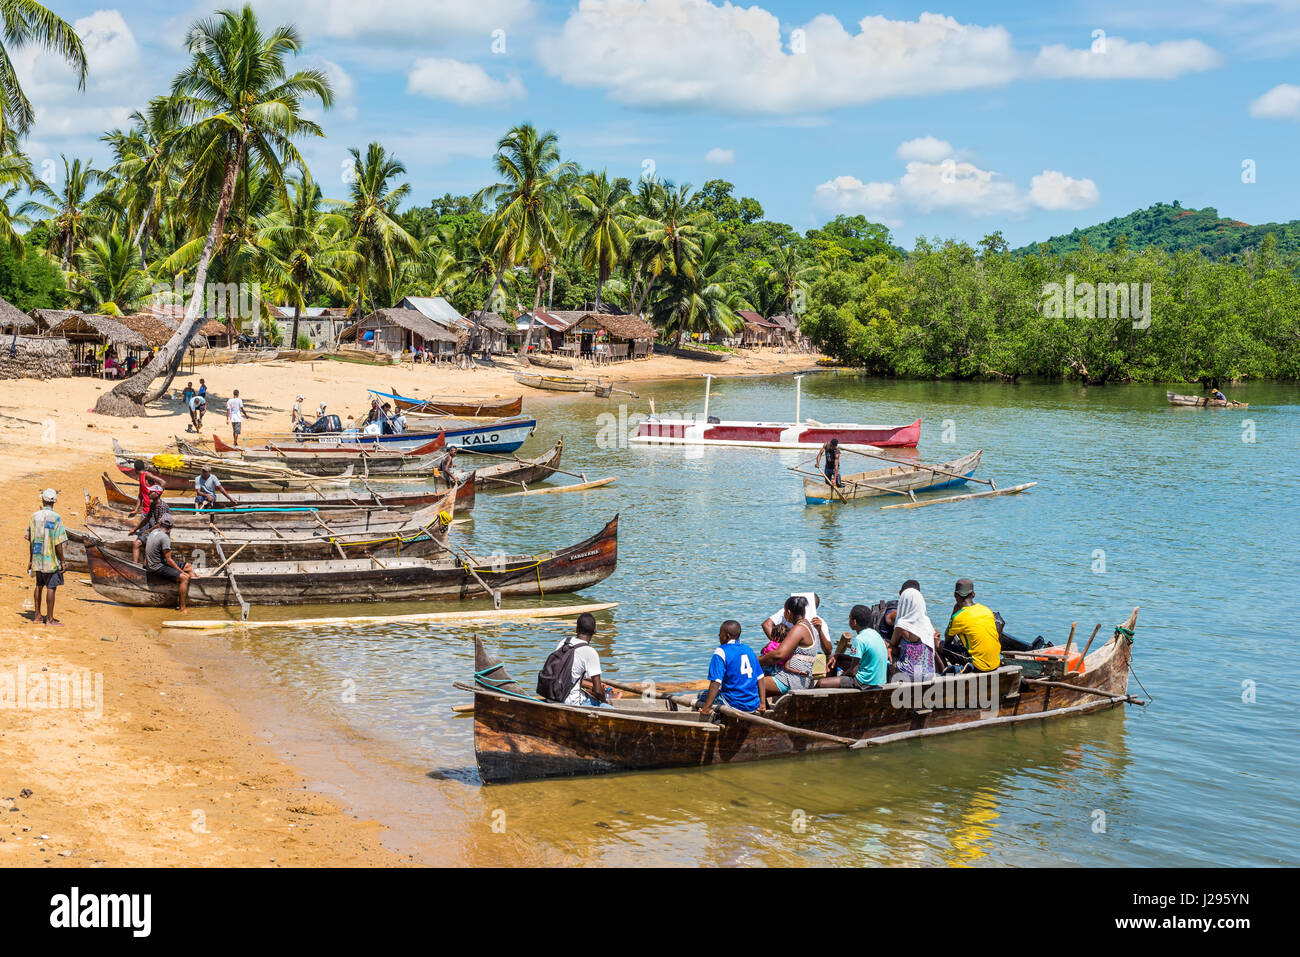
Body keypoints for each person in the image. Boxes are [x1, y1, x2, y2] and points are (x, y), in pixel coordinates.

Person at [537, 613, 610, 707]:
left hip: (552, 697)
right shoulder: (590, 652)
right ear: (595, 630)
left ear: (576, 629)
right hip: (571, 703)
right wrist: (605, 702)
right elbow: (598, 691)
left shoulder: (564, 642)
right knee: (609, 708)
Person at [758, 595, 821, 699]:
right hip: (800, 678)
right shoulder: (810, 627)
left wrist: (755, 660)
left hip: (791, 680)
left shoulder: (799, 629)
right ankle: (765, 709)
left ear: (788, 612)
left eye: (784, 611)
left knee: (750, 681)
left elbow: (778, 655)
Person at [697, 620, 764, 714]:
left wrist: (706, 708)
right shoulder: (749, 649)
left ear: (727, 636)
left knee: (702, 695)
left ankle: (709, 716)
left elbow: (716, 682)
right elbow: (760, 677)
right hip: (753, 704)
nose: (718, 636)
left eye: (720, 633)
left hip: (733, 704)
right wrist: (762, 703)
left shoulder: (721, 651)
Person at [817, 605, 890, 689]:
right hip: (878, 679)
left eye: (849, 618)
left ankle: (825, 694)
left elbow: (853, 671)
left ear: (854, 622)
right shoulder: (875, 634)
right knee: (837, 658)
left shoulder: (859, 639)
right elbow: (858, 661)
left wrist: (841, 676)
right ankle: (831, 686)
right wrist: (837, 656)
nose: (849, 620)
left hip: (864, 682)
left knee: (821, 683)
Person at [26, 489, 67, 626]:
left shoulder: (34, 516)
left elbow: (30, 539)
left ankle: (37, 616)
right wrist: (63, 561)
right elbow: (58, 542)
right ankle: (49, 619)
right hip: (51, 558)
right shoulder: (56, 518)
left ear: (42, 500)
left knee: (39, 584)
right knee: (51, 587)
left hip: (37, 556)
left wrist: (31, 560)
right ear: (54, 501)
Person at [945, 578, 1002, 673]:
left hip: (979, 666)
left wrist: (954, 612)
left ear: (955, 595)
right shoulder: (986, 610)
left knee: (938, 644)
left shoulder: (958, 617)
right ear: (973, 594)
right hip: (995, 663)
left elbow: (948, 640)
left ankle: (945, 674)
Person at [891, 585, 944, 676]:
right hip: (928, 673)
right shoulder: (927, 623)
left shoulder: (902, 625)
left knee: (889, 652)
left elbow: (893, 644)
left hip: (910, 673)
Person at [144, 514, 192, 613]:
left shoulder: (154, 531)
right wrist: (181, 571)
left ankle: (198, 583)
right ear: (171, 527)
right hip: (157, 567)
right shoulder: (164, 538)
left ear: (160, 523)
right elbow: (169, 560)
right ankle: (183, 608)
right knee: (185, 577)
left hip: (154, 563)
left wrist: (146, 563)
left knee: (188, 566)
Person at [763, 591, 832, 658]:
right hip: (784, 653)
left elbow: (828, 651)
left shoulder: (817, 623)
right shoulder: (787, 611)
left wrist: (819, 630)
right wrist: (777, 644)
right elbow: (766, 624)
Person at [129, 484, 169, 562]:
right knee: (136, 544)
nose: (149, 493)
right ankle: (134, 565)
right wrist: (135, 529)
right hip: (154, 531)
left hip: (161, 533)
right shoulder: (153, 504)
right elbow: (147, 519)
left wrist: (148, 531)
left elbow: (160, 525)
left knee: (148, 548)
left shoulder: (162, 507)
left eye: (151, 492)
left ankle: (145, 566)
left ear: (157, 494)